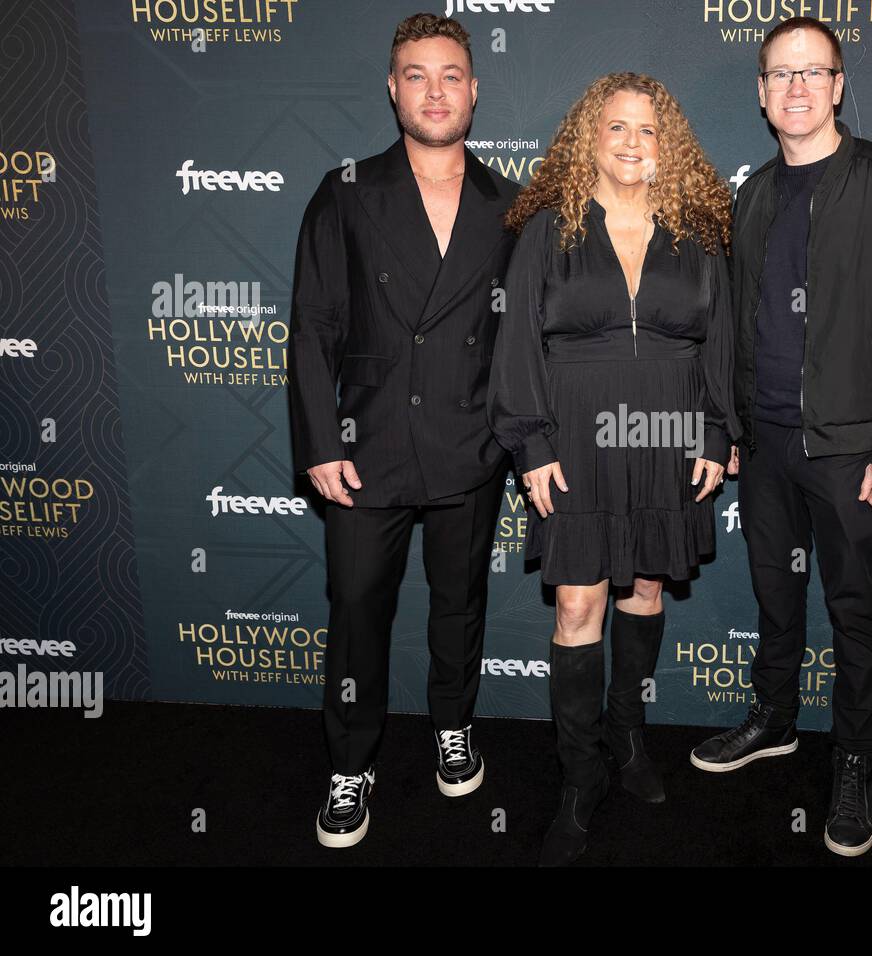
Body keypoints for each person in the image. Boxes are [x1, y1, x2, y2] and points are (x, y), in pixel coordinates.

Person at [689, 17, 872, 858]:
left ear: (838, 85)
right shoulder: (753, 194)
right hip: (763, 443)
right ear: (761, 94)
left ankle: (856, 762)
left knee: (854, 611)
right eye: (779, 74)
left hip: (849, 449)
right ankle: (774, 720)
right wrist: (727, 427)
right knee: (774, 596)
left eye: (813, 72)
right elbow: (738, 326)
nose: (796, 88)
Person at [487, 72, 740, 866]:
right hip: (576, 440)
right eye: (617, 128)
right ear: (587, 139)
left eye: (648, 130)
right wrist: (531, 444)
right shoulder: (547, 231)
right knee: (577, 605)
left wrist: (715, 431)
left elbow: (720, 342)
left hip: (668, 433)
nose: (633, 143)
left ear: (670, 145)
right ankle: (579, 771)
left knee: (647, 587)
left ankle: (629, 737)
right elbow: (517, 345)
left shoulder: (698, 233)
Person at [287, 13, 521, 848]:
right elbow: (312, 323)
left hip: (468, 443)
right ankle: (351, 763)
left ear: (474, 88)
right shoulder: (345, 189)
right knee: (356, 612)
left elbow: (521, 336)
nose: (435, 90)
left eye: (451, 74)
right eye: (416, 75)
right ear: (393, 88)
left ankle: (452, 727)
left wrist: (516, 439)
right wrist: (319, 441)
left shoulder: (509, 205)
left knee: (460, 606)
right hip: (365, 443)